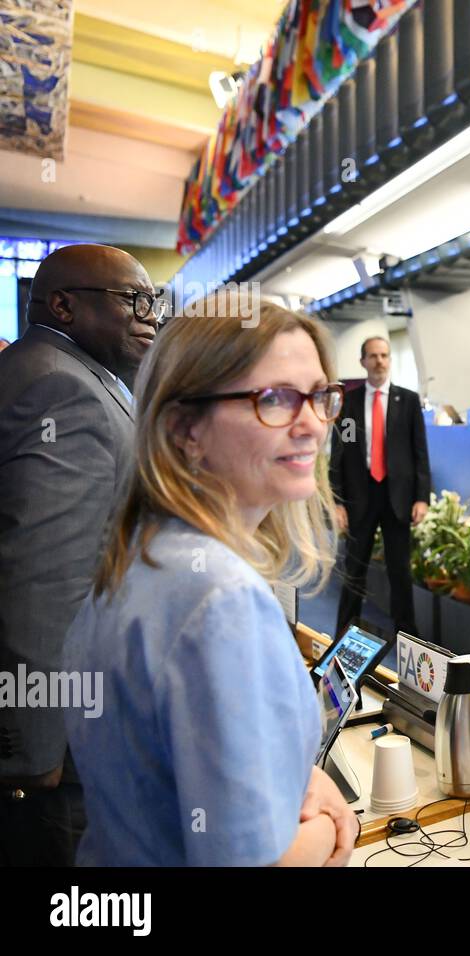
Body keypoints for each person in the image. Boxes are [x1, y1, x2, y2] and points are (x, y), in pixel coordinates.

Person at [62, 292, 359, 866]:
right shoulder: (220, 598)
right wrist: (330, 825)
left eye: (321, 397)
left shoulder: (141, 553)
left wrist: (301, 779)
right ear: (185, 430)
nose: (311, 425)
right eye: (274, 399)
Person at [0, 244, 162, 866]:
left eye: (154, 301)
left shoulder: (55, 372)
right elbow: (40, 583)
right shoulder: (60, 392)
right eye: (132, 299)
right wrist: (32, 756)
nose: (149, 315)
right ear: (63, 306)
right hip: (57, 750)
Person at [331, 336, 430, 638]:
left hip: (397, 497)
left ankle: (407, 638)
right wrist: (337, 501)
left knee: (400, 572)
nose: (379, 361)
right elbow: (339, 451)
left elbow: (420, 452)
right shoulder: (349, 401)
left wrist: (421, 498)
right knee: (354, 570)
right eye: (373, 356)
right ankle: (344, 635)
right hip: (360, 496)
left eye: (384, 355)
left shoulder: (408, 400)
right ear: (363, 362)